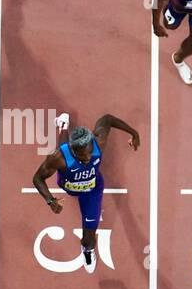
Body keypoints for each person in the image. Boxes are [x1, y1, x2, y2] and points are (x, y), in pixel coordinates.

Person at [32, 113, 140, 273]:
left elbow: (107, 119)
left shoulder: (98, 142)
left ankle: (87, 250)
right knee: (61, 148)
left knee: (89, 236)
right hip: (68, 185)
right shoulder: (58, 157)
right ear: (74, 150)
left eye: (90, 153)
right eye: (83, 156)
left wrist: (134, 133)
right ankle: (63, 125)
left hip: (92, 190)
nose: (88, 158)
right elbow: (38, 178)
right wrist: (50, 200)